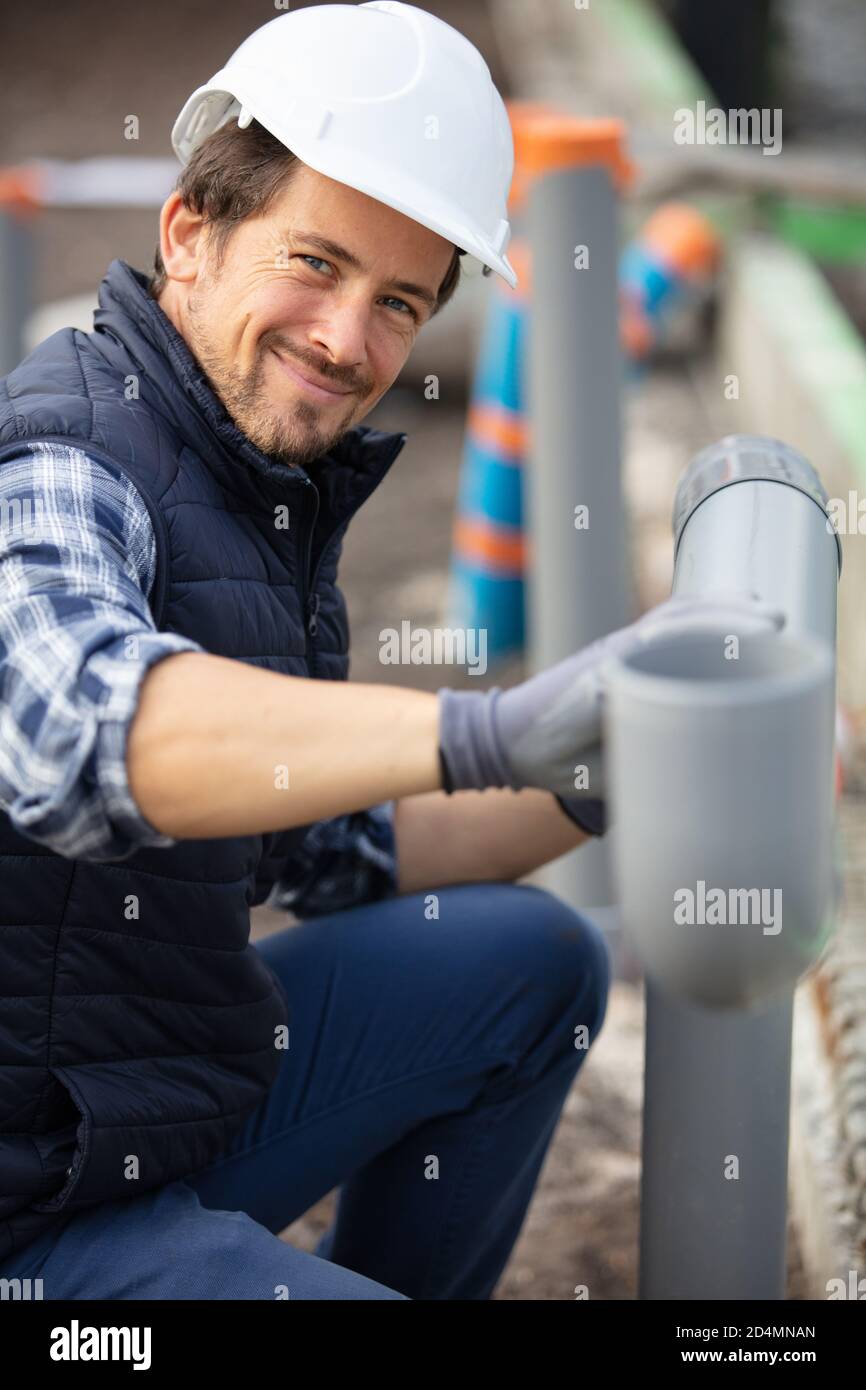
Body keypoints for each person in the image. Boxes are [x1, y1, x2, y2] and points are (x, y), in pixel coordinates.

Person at [0, 2, 780, 1300]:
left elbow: (341, 845)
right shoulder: (60, 458)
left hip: (135, 1119)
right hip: (33, 1221)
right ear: (189, 230)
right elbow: (74, 730)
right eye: (314, 263)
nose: (346, 340)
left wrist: (617, 754)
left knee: (529, 960)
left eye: (398, 303)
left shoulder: (253, 488)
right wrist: (475, 727)